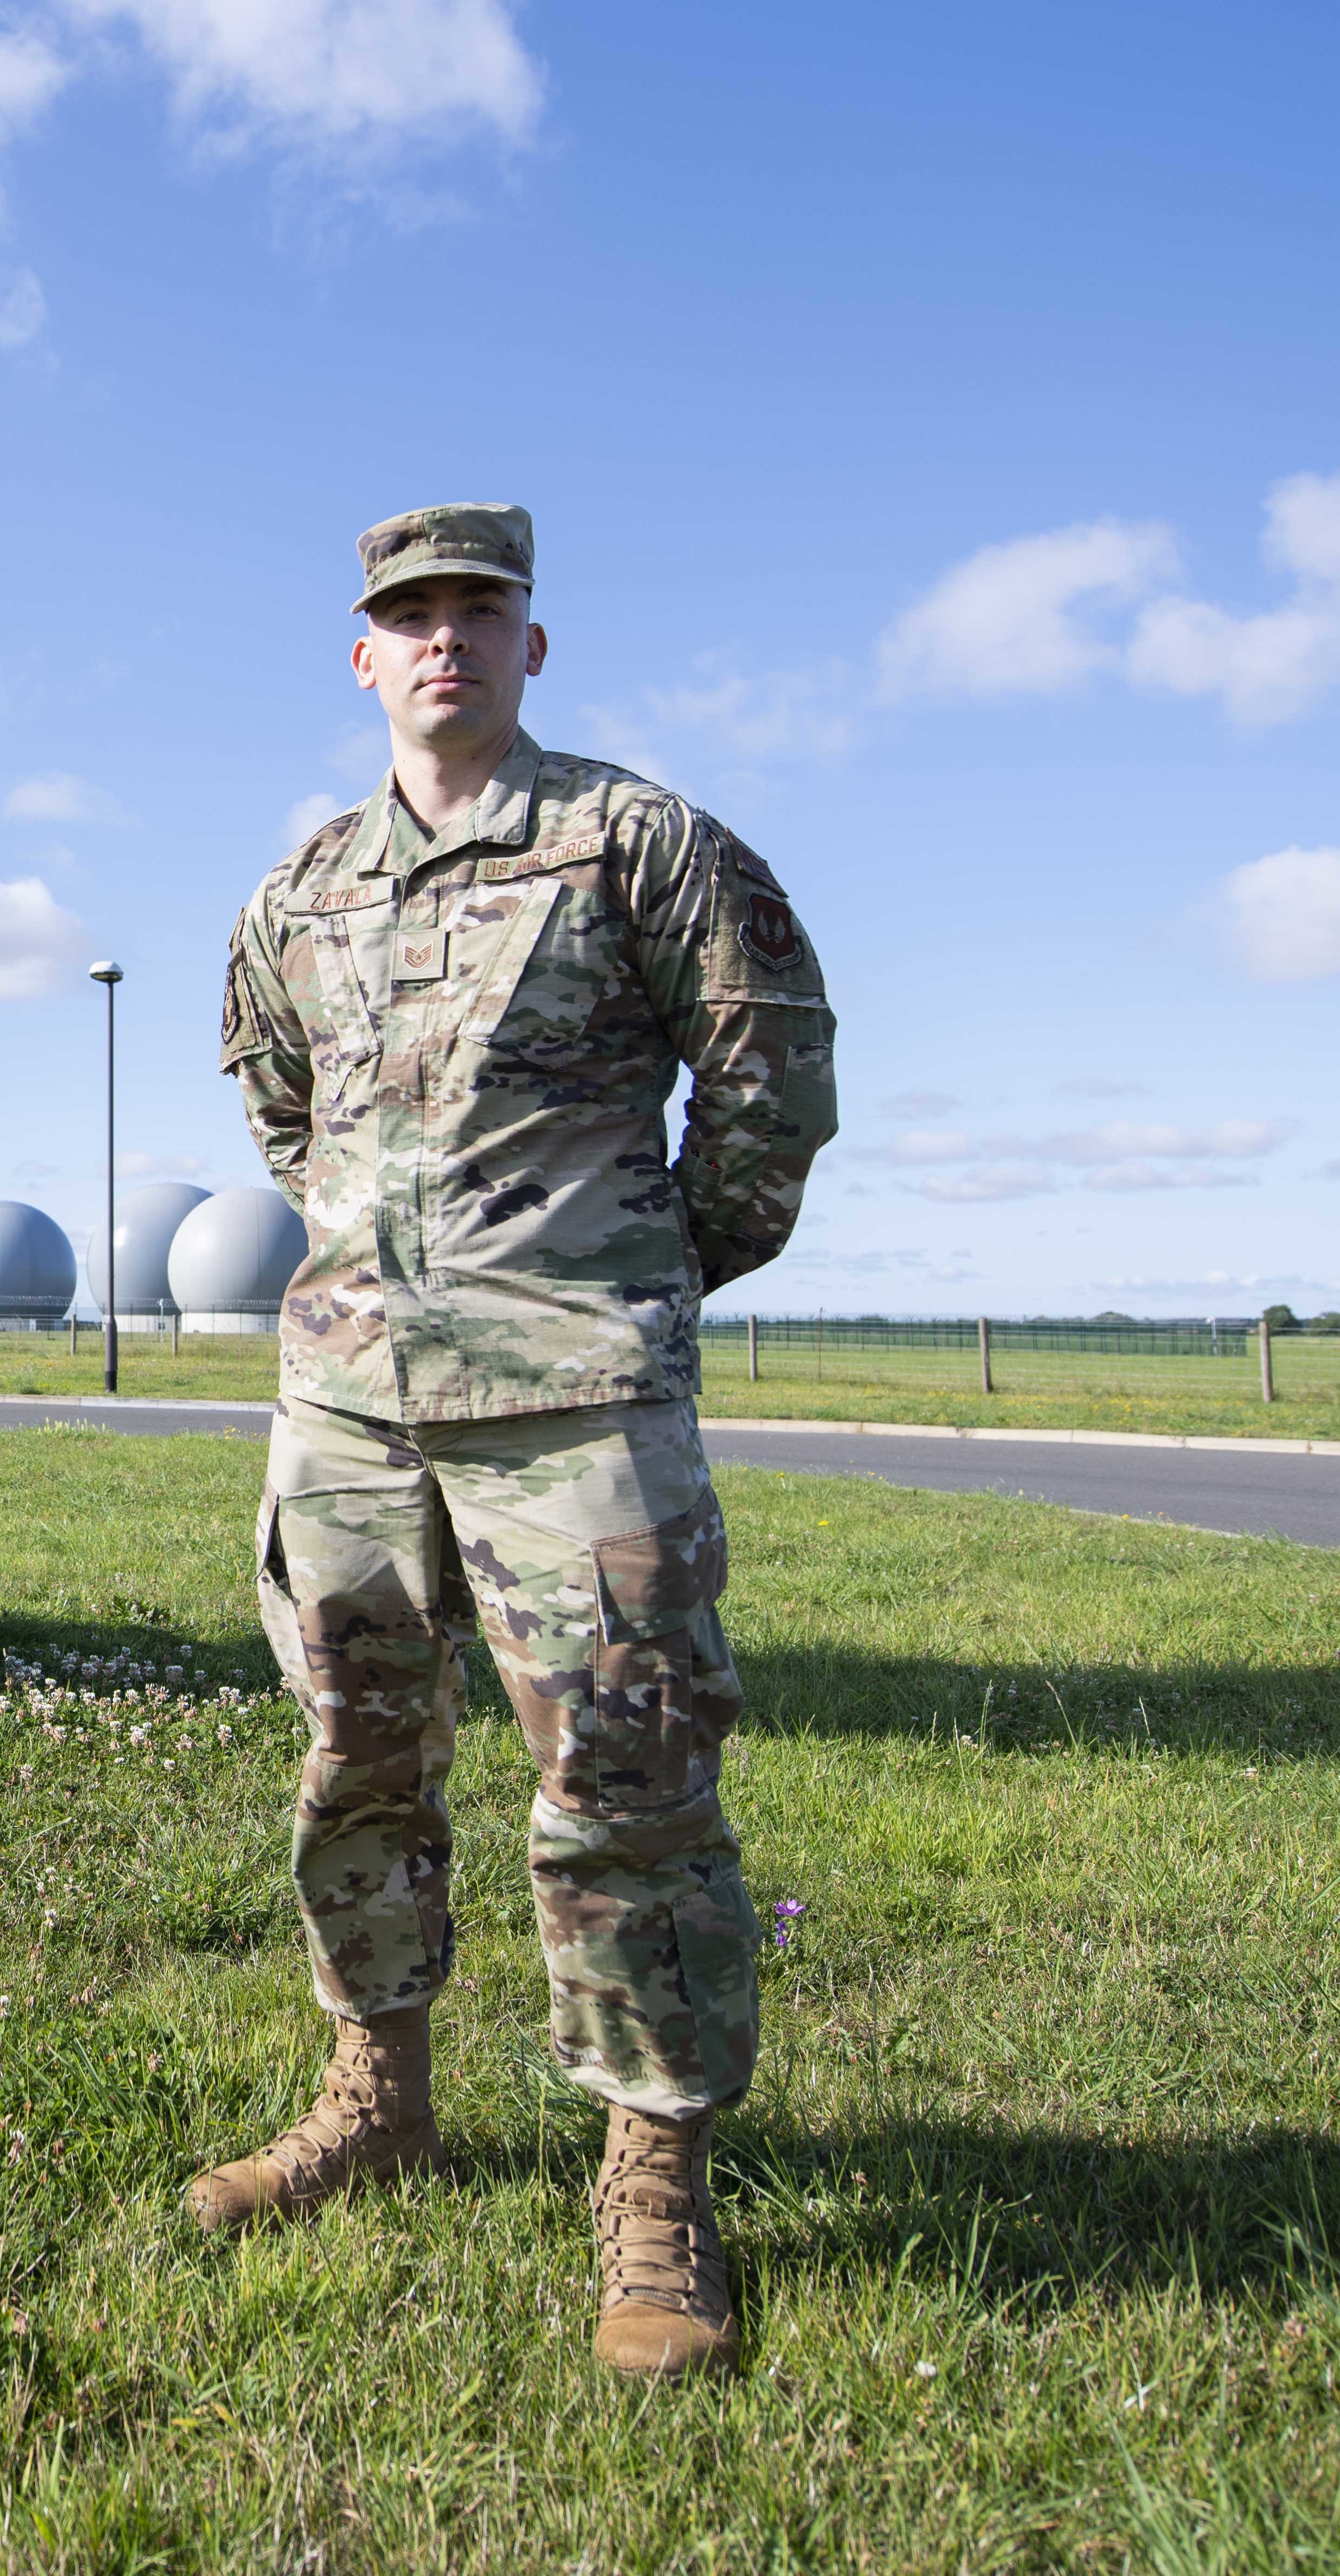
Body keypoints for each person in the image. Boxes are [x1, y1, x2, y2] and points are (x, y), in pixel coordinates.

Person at [202, 503, 838, 2378]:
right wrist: (378, 1289)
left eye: (478, 607)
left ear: (533, 642)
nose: (445, 638)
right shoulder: (302, 883)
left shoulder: (633, 840)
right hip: (350, 1412)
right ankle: (375, 2093)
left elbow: (770, 1072)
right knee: (355, 1765)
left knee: (632, 1792)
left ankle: (655, 2181)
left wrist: (628, 1275)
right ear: (363, 655)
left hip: (578, 1411)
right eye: (408, 614)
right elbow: (274, 1094)